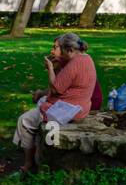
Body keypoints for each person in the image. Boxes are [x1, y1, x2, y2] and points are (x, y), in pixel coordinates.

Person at [13, 33, 97, 174]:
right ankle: (36, 155)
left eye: (61, 49)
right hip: (80, 108)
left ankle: (28, 164)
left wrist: (51, 68)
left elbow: (56, 88)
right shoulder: (86, 58)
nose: (60, 53)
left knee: (24, 120)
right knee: (39, 111)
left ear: (69, 49)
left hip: (68, 111)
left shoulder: (75, 63)